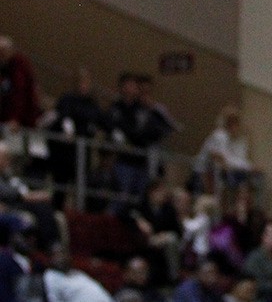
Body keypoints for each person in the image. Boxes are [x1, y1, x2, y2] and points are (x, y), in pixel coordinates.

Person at [104, 72, 174, 210]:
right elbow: (113, 127)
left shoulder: (143, 109)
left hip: (142, 160)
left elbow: (156, 129)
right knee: (122, 196)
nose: (132, 89)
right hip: (124, 160)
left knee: (140, 199)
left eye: (134, 86)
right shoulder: (116, 108)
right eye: (129, 85)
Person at [48, 66, 105, 210]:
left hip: (83, 152)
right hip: (65, 151)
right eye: (81, 82)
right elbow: (63, 116)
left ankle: (78, 212)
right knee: (61, 184)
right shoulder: (67, 99)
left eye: (87, 82)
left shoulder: (92, 103)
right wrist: (68, 128)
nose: (84, 86)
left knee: (81, 185)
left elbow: (101, 120)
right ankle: (57, 210)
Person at [192, 106, 261, 195]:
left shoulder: (229, 138)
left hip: (210, 174)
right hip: (202, 175)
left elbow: (232, 158)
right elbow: (222, 158)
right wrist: (249, 167)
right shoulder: (220, 136)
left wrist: (248, 166)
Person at [41, 242, 115, 302]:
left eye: (63, 253)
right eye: (57, 254)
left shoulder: (77, 272)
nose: (61, 257)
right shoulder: (51, 276)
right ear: (50, 258)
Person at [0, 35, 41, 132]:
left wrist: (15, 118)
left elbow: (20, 94)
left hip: (21, 119)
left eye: (2, 52)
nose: (1, 56)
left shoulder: (19, 66)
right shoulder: (4, 66)